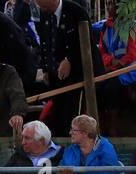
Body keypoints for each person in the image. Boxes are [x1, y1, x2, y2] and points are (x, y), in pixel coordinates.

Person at [32, 0, 89, 136]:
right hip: (55, 76)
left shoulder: (76, 11)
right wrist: (45, 68)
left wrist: (69, 60)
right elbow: (44, 43)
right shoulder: (43, 14)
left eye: (42, 4)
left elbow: (86, 43)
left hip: (77, 77)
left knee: (73, 115)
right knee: (57, 114)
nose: (40, 7)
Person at [48, 113, 119, 174]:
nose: (70, 133)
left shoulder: (105, 148)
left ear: (84, 133)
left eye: (73, 130)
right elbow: (62, 168)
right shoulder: (71, 150)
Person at [96, 1, 136, 115]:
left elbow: (132, 54)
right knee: (97, 86)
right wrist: (111, 61)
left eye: (110, 4)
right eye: (107, 4)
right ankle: (100, 122)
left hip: (129, 68)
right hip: (112, 66)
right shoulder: (106, 27)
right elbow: (102, 52)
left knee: (111, 88)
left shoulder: (133, 26)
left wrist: (118, 64)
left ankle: (113, 125)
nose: (107, 8)